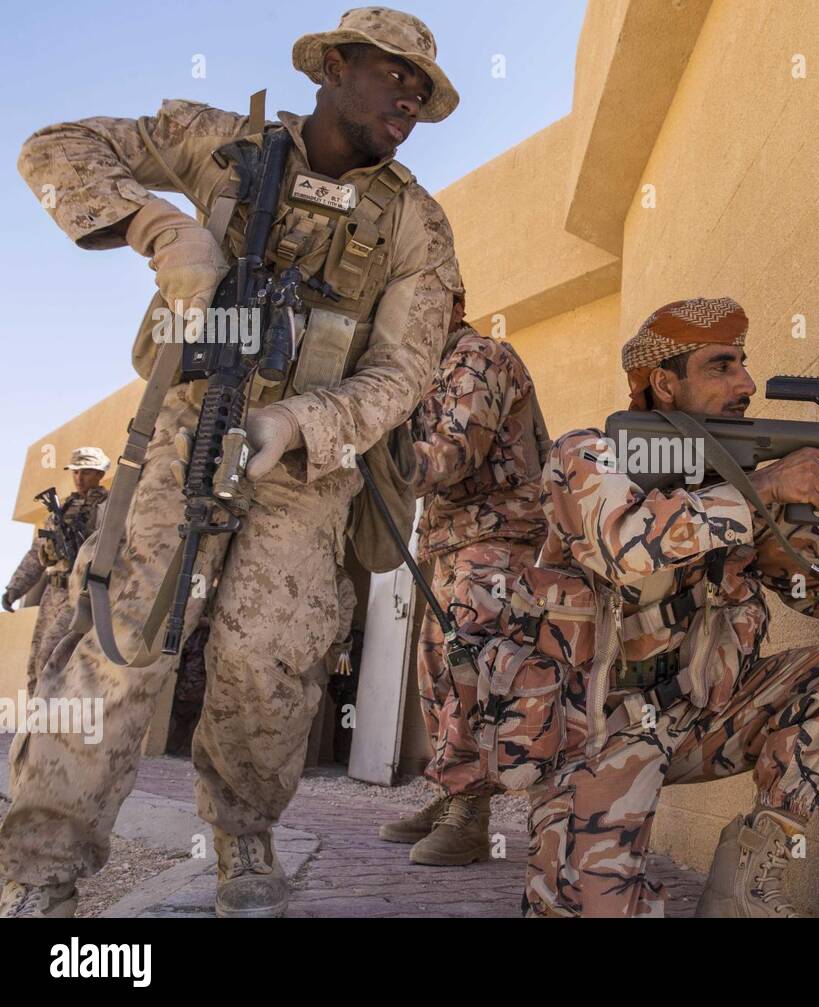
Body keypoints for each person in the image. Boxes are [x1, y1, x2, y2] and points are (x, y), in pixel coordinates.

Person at [0, 7, 463, 919]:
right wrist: (159, 227)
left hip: (309, 465)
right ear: (332, 66)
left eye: (423, 89)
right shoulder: (219, 142)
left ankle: (245, 842)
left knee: (271, 660)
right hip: (183, 429)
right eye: (392, 74)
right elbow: (54, 146)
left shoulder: (417, 223)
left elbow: (406, 370)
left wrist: (298, 421)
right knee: (121, 642)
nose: (408, 98)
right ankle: (42, 867)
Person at [481, 296, 819, 917]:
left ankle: (740, 889)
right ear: (664, 382)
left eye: (743, 363)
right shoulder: (587, 456)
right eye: (721, 366)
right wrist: (764, 489)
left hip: (701, 716)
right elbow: (624, 548)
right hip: (597, 731)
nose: (745, 383)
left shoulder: (741, 483)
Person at [377, 290, 549, 866]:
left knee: (469, 668)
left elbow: (456, 451)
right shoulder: (428, 372)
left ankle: (471, 816)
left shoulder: (476, 358)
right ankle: (452, 792)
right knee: (437, 671)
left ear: (452, 304)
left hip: (499, 540)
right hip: (454, 540)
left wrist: (375, 454)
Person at [2, 447, 110, 694]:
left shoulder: (110, 507)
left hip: (83, 593)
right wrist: (15, 588)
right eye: (76, 472)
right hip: (53, 593)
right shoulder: (60, 511)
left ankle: (55, 719)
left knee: (53, 656)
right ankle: (35, 723)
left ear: (100, 474)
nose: (79, 478)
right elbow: (35, 555)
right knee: (35, 662)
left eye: (87, 472)